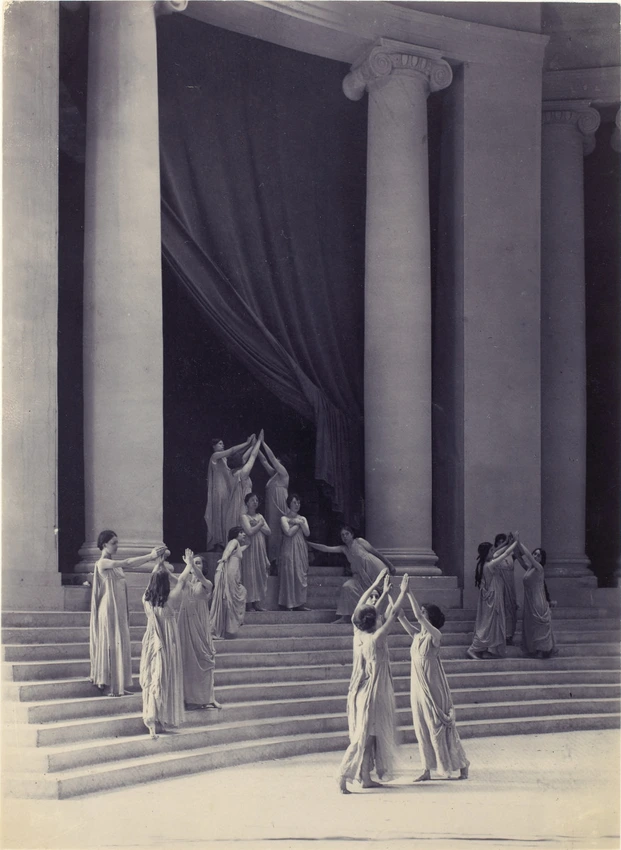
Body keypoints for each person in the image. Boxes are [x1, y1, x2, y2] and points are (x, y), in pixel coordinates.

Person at [337, 571, 410, 794]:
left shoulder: (357, 630)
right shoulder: (376, 639)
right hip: (371, 691)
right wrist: (402, 593)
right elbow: (393, 614)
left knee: (368, 737)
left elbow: (362, 607)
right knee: (363, 737)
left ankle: (364, 776)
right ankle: (343, 776)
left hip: (361, 688)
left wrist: (379, 586)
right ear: (374, 621)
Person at [397, 591, 469, 781]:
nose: (420, 615)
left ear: (430, 618)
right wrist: (391, 593)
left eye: (423, 612)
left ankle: (462, 764)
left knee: (438, 725)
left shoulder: (435, 635)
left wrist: (408, 592)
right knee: (421, 727)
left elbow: (418, 617)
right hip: (417, 687)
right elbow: (399, 615)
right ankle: (426, 769)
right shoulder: (416, 635)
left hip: (433, 686)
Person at [89, 530, 166, 697]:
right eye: (114, 543)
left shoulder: (113, 564)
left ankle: (119, 686)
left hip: (119, 608)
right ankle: (111, 687)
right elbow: (129, 562)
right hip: (109, 608)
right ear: (104, 545)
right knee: (111, 643)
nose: (117, 546)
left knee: (120, 642)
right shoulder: (102, 563)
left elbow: (128, 565)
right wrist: (150, 556)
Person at [308, 526, 396, 624]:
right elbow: (326, 548)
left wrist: (390, 565)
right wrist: (309, 543)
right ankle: (346, 616)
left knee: (379, 592)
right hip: (361, 575)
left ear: (352, 535)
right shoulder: (344, 549)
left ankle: (382, 617)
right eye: (342, 535)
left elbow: (376, 553)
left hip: (375, 569)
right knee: (348, 587)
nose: (345, 537)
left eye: (347, 534)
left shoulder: (359, 541)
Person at [140, 556, 185, 738]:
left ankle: (153, 721)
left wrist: (158, 563)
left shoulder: (146, 599)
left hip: (152, 641)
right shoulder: (171, 599)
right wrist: (188, 564)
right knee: (163, 679)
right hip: (167, 642)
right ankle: (159, 719)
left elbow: (153, 579)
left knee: (153, 677)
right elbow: (182, 580)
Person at [177, 550, 221, 710]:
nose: (195, 565)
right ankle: (189, 698)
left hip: (200, 626)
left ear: (204, 567)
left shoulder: (207, 583)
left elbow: (200, 577)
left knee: (206, 659)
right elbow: (175, 579)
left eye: (199, 563)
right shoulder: (186, 582)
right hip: (185, 624)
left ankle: (209, 697)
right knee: (187, 660)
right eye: (194, 562)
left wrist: (189, 563)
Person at [467, 533, 519, 660]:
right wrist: (516, 542)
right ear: (487, 553)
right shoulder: (489, 565)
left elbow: (499, 552)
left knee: (491, 625)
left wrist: (508, 543)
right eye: (491, 550)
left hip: (493, 599)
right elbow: (505, 554)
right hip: (492, 600)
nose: (493, 552)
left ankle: (486, 649)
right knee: (487, 625)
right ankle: (473, 649)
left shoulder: (487, 563)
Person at [205, 434, 255, 551]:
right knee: (218, 515)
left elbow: (239, 456)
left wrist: (252, 446)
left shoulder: (225, 459)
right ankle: (218, 542)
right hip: (218, 490)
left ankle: (224, 541)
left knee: (225, 515)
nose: (223, 445)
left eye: (223, 443)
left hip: (227, 490)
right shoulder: (215, 456)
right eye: (220, 443)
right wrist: (247, 443)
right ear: (214, 446)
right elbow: (232, 450)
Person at [515, 543, 558, 659]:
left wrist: (519, 543)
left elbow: (527, 556)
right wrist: (515, 549)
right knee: (531, 626)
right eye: (535, 554)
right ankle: (535, 649)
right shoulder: (531, 569)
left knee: (539, 626)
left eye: (538, 555)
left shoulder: (539, 568)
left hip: (538, 601)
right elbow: (522, 561)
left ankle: (542, 650)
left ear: (542, 559)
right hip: (530, 602)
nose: (535, 556)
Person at [224, 430, 264, 536]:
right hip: (241, 507)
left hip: (233, 508)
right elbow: (252, 457)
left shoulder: (231, 472)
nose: (244, 459)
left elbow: (245, 457)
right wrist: (259, 441)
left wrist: (252, 444)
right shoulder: (243, 473)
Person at [211, 527, 249, 638]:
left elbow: (241, 549)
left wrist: (250, 544)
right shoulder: (234, 541)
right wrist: (224, 558)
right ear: (236, 534)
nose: (244, 534)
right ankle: (225, 628)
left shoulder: (237, 545)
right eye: (242, 532)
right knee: (231, 597)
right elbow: (228, 551)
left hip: (233, 575)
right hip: (229, 575)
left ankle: (228, 627)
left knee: (235, 596)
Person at [258, 441, 290, 567]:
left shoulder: (283, 473)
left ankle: (279, 560)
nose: (275, 460)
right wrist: (256, 445)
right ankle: (273, 560)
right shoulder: (274, 475)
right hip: (272, 507)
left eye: (277, 459)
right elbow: (265, 461)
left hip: (279, 505)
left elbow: (270, 458)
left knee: (278, 531)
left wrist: (263, 442)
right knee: (272, 532)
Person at [278, 493, 311, 611]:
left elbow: (307, 533)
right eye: (294, 502)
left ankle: (300, 603)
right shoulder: (284, 518)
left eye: (298, 502)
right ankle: (289, 604)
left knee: (300, 575)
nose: (297, 505)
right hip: (288, 548)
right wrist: (299, 523)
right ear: (289, 504)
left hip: (300, 548)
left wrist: (300, 522)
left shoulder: (303, 518)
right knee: (290, 574)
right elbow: (288, 532)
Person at [240, 493, 271, 612]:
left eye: (257, 500)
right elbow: (249, 531)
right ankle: (249, 604)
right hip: (249, 548)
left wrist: (258, 525)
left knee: (259, 573)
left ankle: (257, 603)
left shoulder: (260, 516)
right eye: (252, 500)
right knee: (249, 574)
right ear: (247, 502)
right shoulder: (244, 517)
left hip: (260, 548)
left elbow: (268, 532)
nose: (255, 502)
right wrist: (259, 524)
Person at [495, 532, 518, 645]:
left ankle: (509, 635)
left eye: (502, 540)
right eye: (499, 541)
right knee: (500, 609)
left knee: (510, 608)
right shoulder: (495, 554)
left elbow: (520, 553)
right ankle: (500, 635)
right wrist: (506, 543)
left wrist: (515, 540)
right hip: (499, 584)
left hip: (510, 584)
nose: (501, 543)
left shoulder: (512, 555)